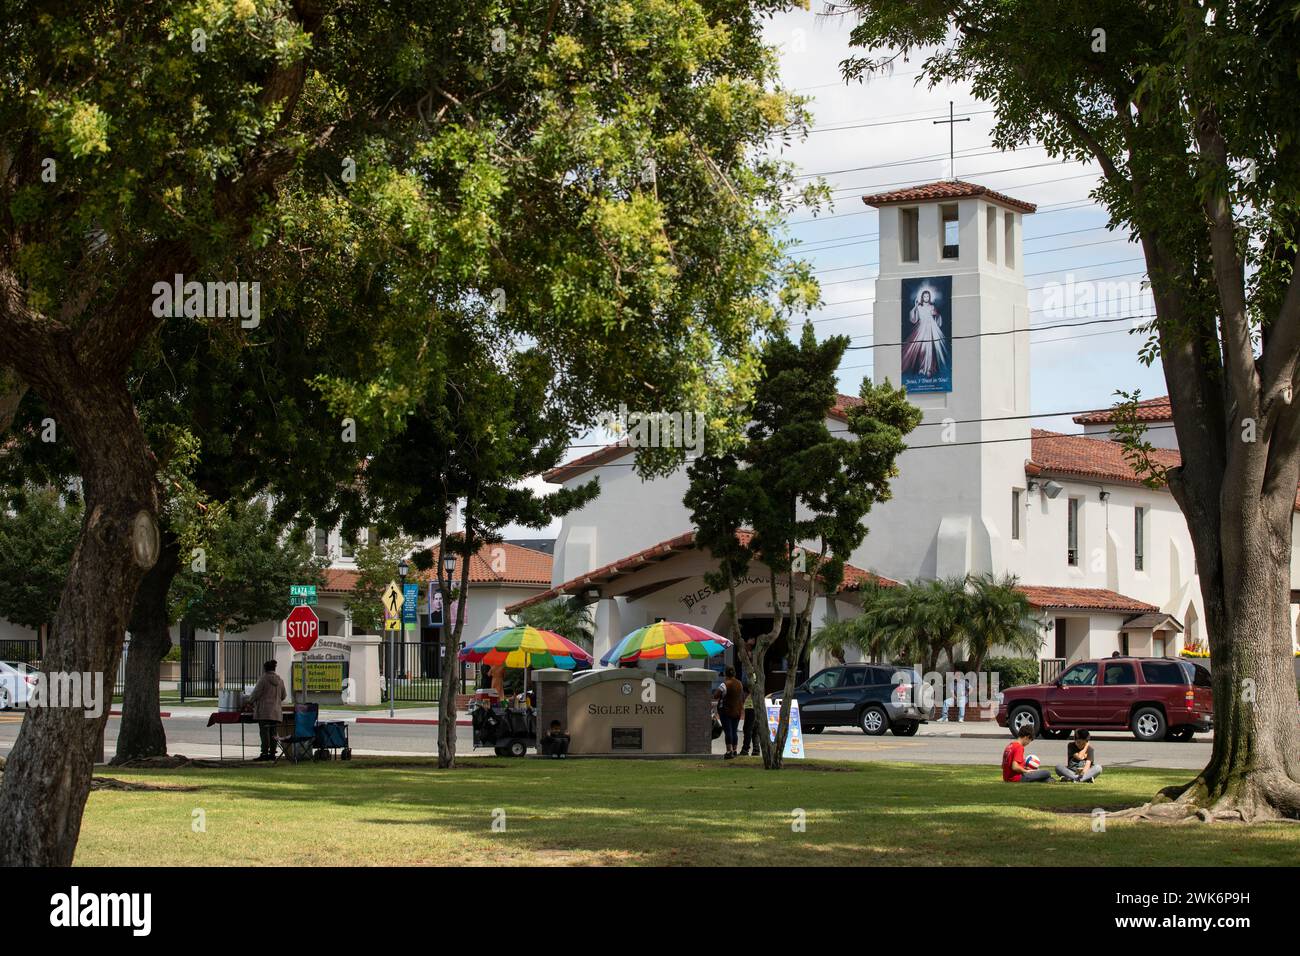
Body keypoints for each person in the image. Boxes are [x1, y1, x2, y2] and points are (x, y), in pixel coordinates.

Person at [246, 659, 286, 761]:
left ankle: (264, 753)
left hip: (264, 711)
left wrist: (249, 702)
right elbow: (284, 695)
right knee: (273, 733)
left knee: (264, 733)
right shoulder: (280, 680)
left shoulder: (263, 679)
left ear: (265, 669)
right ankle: (272, 753)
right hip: (276, 711)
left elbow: (256, 693)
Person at [719, 666, 745, 759]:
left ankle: (728, 751)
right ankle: (735, 751)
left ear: (726, 674)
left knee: (728, 731)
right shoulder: (740, 684)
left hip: (726, 711)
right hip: (737, 711)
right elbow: (741, 697)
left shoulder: (725, 684)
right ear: (734, 673)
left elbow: (716, 695)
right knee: (734, 731)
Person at [738, 678, 758, 756]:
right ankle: (756, 750)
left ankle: (745, 749)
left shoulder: (752, 675)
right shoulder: (757, 674)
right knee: (755, 729)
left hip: (750, 707)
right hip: (755, 707)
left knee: (748, 729)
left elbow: (747, 686)